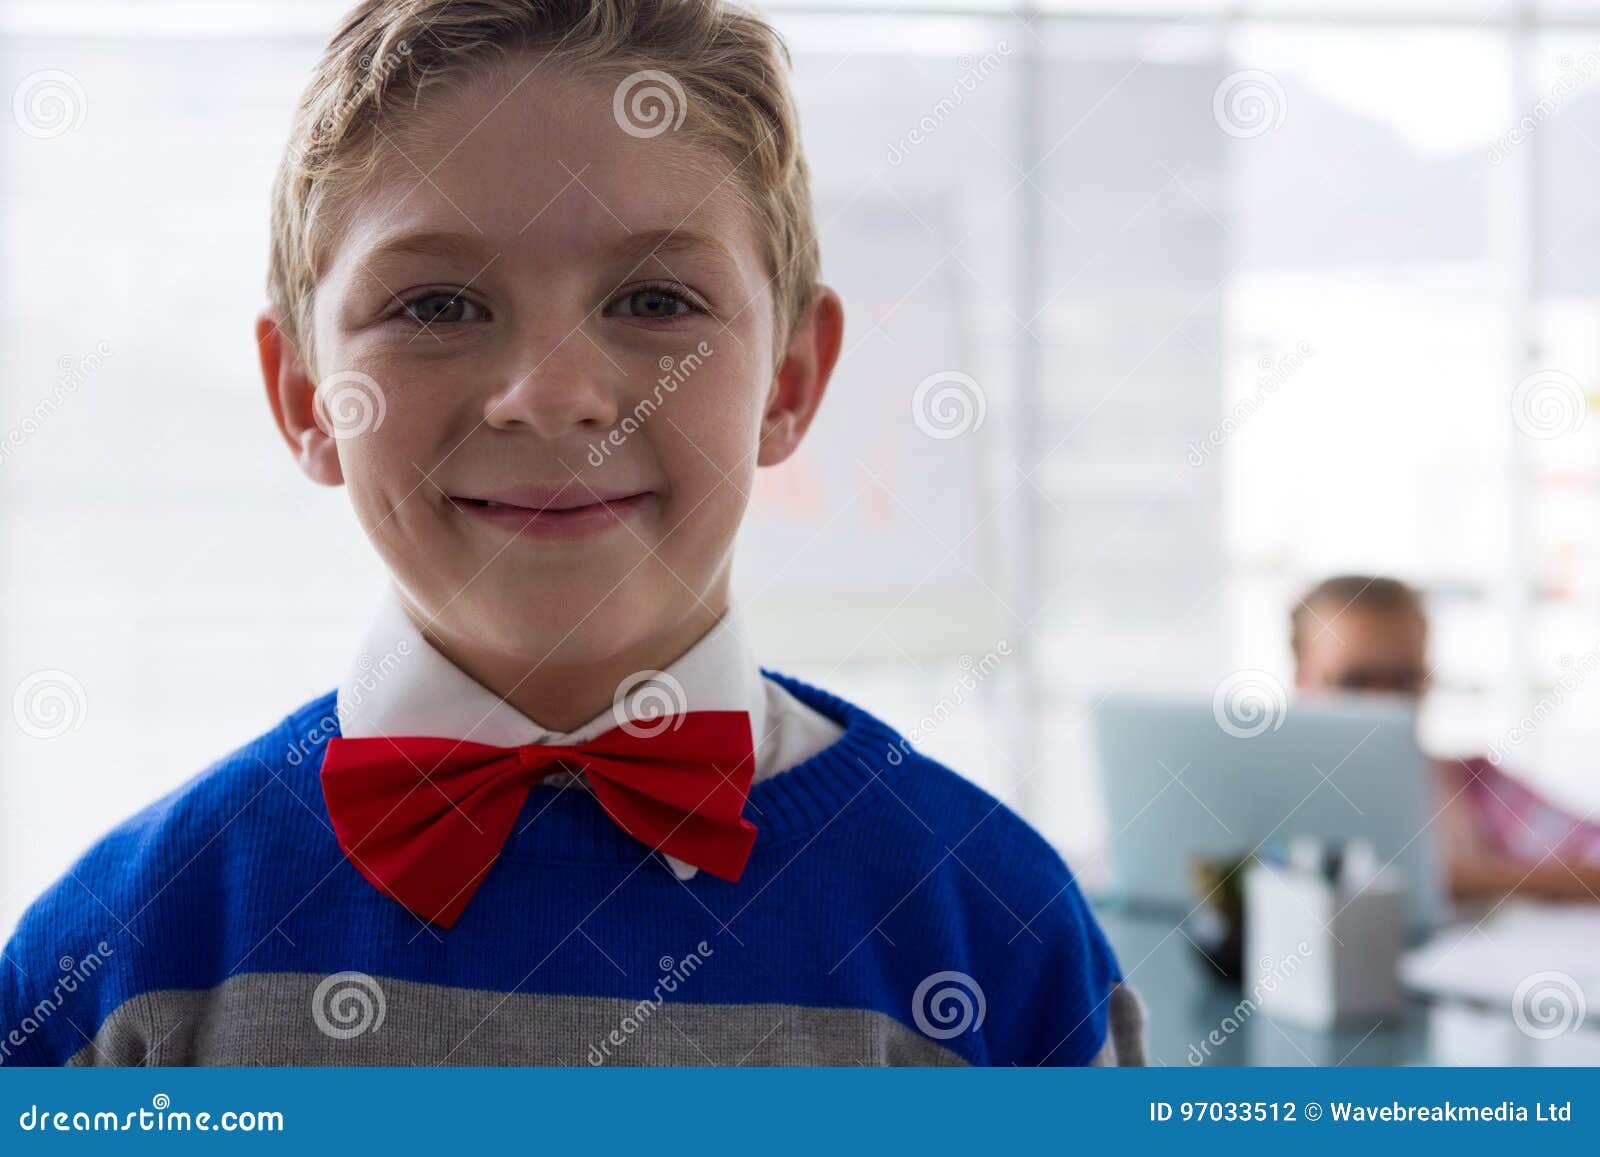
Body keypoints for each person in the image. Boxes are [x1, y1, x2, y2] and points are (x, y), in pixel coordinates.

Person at [0, 0, 1143, 1067]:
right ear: (305, 396)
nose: (552, 394)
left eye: (654, 301)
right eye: (436, 306)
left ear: (790, 380)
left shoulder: (994, 921)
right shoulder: (116, 958)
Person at [1292, 574, 1600, 903]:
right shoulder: (1268, 800)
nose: (1385, 703)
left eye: (1405, 679)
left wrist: (1475, 880)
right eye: (1355, 681)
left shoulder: (1474, 788)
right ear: (1303, 680)